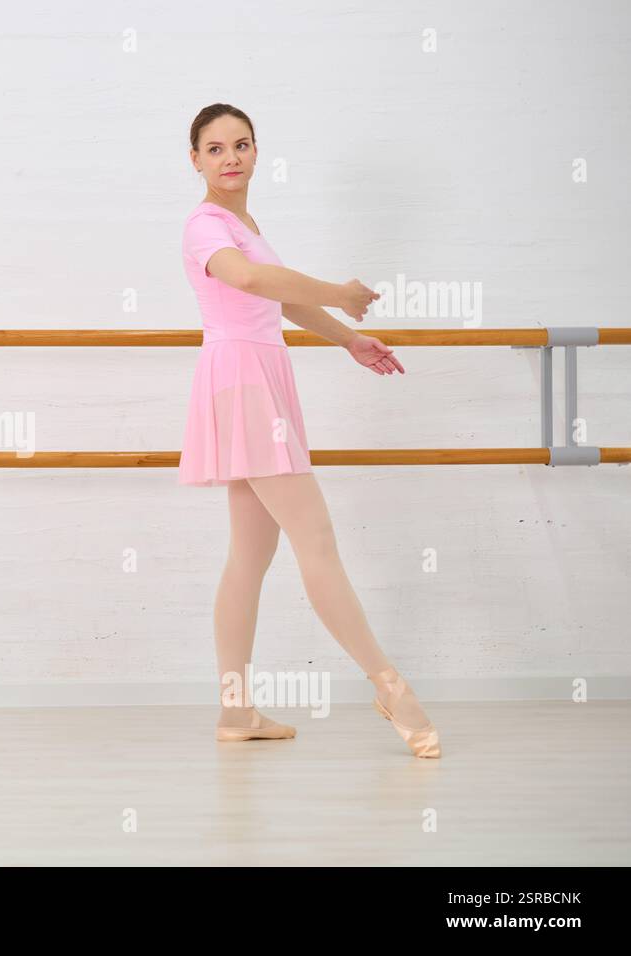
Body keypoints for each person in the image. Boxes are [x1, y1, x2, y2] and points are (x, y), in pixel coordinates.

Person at [178, 105, 440, 758]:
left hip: (259, 377)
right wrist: (338, 292)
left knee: (249, 556)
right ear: (196, 161)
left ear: (257, 152)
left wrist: (348, 339)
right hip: (242, 380)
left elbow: (281, 299)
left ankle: (236, 713)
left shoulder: (245, 222)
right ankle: (390, 685)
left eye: (241, 145)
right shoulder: (204, 225)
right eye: (215, 149)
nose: (230, 158)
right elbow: (250, 279)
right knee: (315, 538)